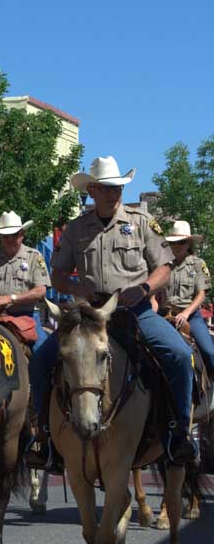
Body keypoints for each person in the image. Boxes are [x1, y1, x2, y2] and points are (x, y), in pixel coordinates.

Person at [31, 155, 196, 469]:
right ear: (92, 190)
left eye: (117, 187)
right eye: (106, 188)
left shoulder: (141, 222)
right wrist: (77, 287)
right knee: (40, 360)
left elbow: (164, 268)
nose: (113, 193)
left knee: (178, 355)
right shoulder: (76, 229)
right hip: (90, 316)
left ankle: (178, 434)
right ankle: (44, 438)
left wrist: (144, 289)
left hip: (135, 311)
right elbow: (58, 275)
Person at [0, 211, 51, 350]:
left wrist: (10, 298)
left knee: (43, 351)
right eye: (5, 236)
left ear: (22, 234)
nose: (10, 240)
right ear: (0, 237)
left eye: (14, 235)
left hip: (27, 317)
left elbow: (41, 291)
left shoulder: (34, 257)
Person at [161, 221, 214, 374]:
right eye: (173, 242)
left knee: (209, 352)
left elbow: (202, 293)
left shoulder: (198, 264)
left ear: (189, 244)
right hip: (165, 314)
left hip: (190, 316)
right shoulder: (164, 266)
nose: (177, 246)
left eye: (181, 242)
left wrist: (186, 313)